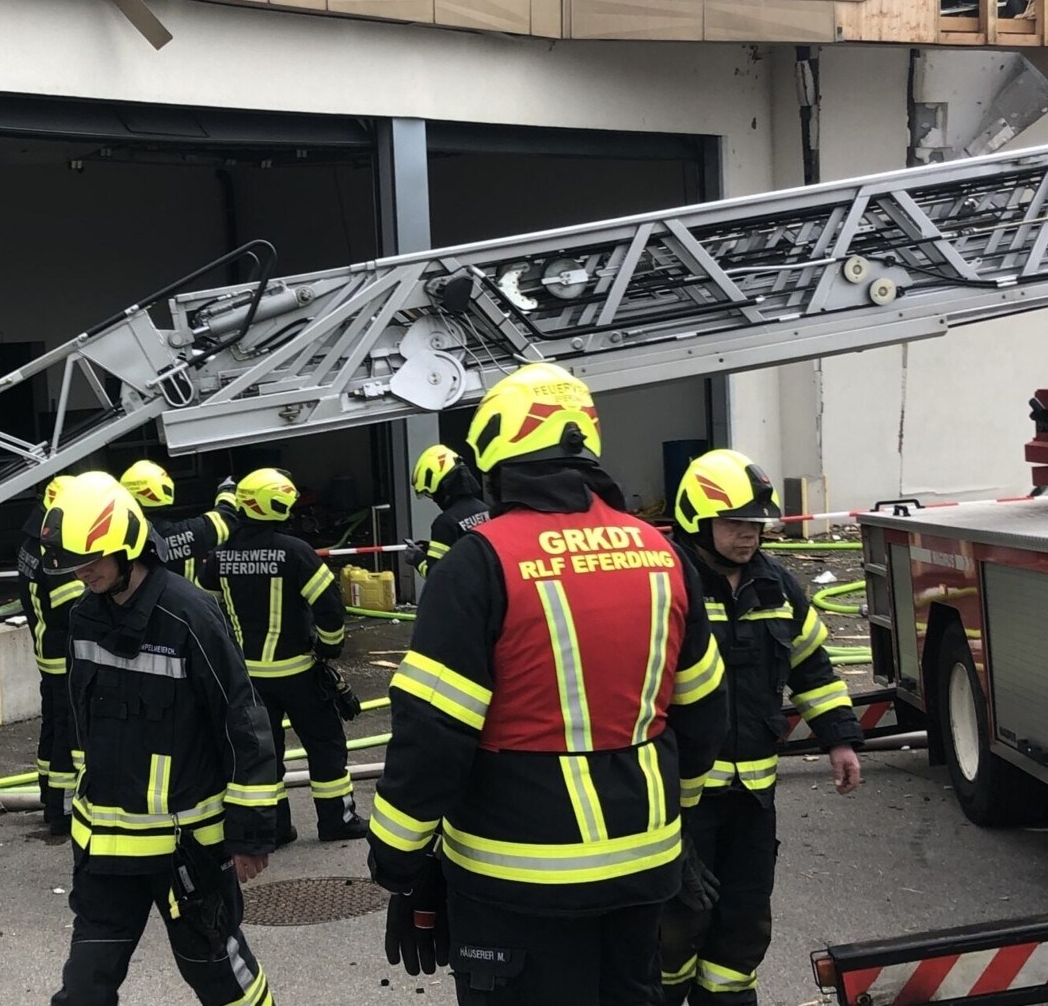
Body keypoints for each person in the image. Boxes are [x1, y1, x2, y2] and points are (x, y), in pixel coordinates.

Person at [366, 363, 728, 1004]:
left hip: (515, 878)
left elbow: (433, 734)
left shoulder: (479, 562)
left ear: (494, 455)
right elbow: (702, 712)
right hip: (644, 867)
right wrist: (679, 814)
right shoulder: (660, 552)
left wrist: (400, 864)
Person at [41, 472, 283, 1006]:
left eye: (94, 559)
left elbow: (242, 722)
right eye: (75, 562)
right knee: (83, 989)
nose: (84, 571)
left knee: (221, 978)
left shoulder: (189, 615)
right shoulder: (85, 617)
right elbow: (81, 722)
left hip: (186, 851)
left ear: (128, 545)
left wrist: (250, 834)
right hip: (105, 852)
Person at [659, 448, 864, 1006]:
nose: (748, 536)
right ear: (697, 520)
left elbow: (813, 667)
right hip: (681, 802)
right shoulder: (666, 585)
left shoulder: (776, 587)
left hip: (752, 798)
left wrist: (839, 740)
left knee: (743, 927)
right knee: (672, 931)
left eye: (755, 525)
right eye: (735, 524)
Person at [206, 467, 364, 845]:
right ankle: (336, 821)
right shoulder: (295, 552)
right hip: (300, 673)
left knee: (265, 754)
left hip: (247, 678)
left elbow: (209, 613)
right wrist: (329, 648)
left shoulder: (218, 557)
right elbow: (330, 607)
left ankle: (274, 829)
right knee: (325, 745)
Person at [17, 474, 82, 836]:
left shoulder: (28, 541)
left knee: (52, 727)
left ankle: (48, 795)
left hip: (46, 652)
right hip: (65, 656)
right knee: (68, 736)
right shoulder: (52, 553)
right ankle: (61, 811)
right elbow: (74, 609)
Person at [122, 459, 236, 590]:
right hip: (186, 606)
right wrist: (227, 489)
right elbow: (226, 518)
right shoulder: (187, 532)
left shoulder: (119, 539)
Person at [409, 444, 492, 579]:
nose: (433, 499)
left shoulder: (445, 523)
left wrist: (417, 558)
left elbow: (436, 576)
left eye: (430, 494)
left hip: (465, 597)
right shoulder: (486, 510)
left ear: (441, 487)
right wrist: (430, 549)